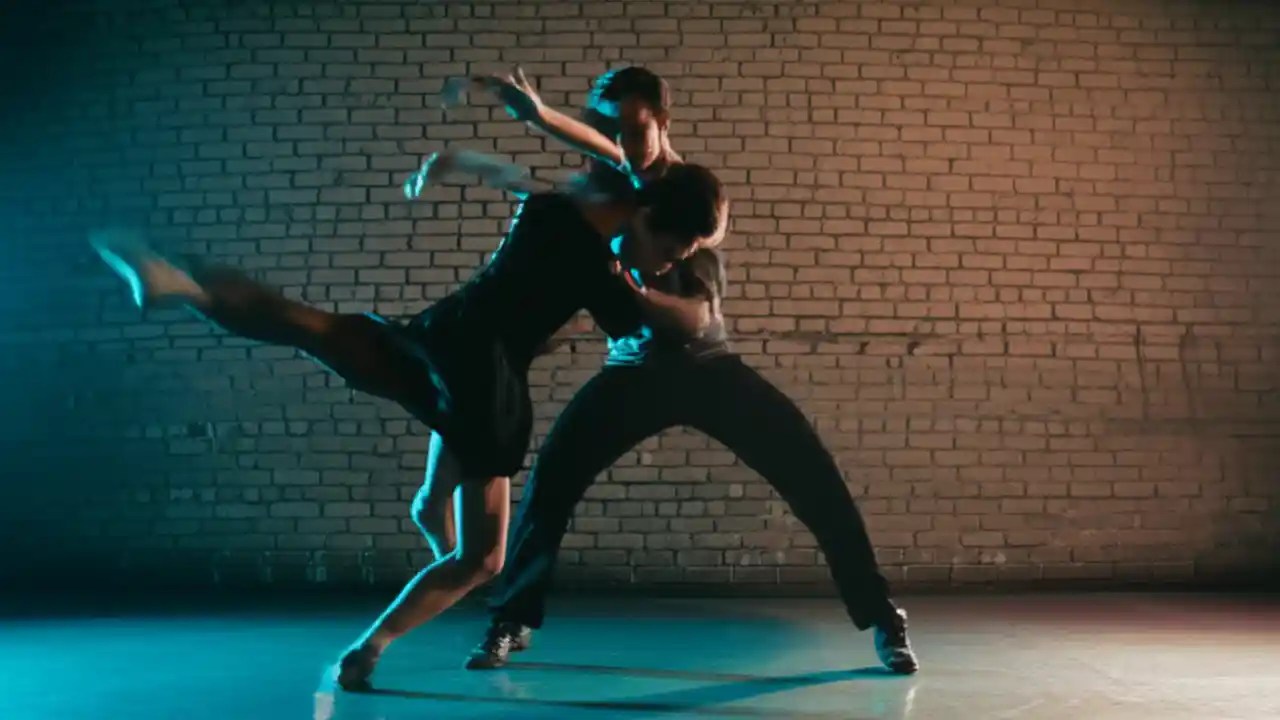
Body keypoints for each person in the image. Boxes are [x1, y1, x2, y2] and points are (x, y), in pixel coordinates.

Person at [89, 150, 728, 691]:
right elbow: (667, 321)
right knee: (481, 560)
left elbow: (537, 165)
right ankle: (369, 647)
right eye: (669, 250)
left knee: (308, 326)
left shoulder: (552, 206)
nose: (667, 264)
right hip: (488, 386)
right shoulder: (604, 271)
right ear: (646, 215)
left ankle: (182, 285)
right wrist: (676, 305)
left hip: (439, 338)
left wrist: (456, 161)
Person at [457, 66, 919, 674]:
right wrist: (536, 120)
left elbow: (693, 319)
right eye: (609, 129)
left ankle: (883, 620)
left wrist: (626, 285)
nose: (621, 142)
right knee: (552, 484)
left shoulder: (694, 193)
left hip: (708, 369)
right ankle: (510, 618)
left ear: (664, 123)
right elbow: (574, 176)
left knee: (815, 479)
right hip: (631, 373)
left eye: (635, 129)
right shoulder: (602, 193)